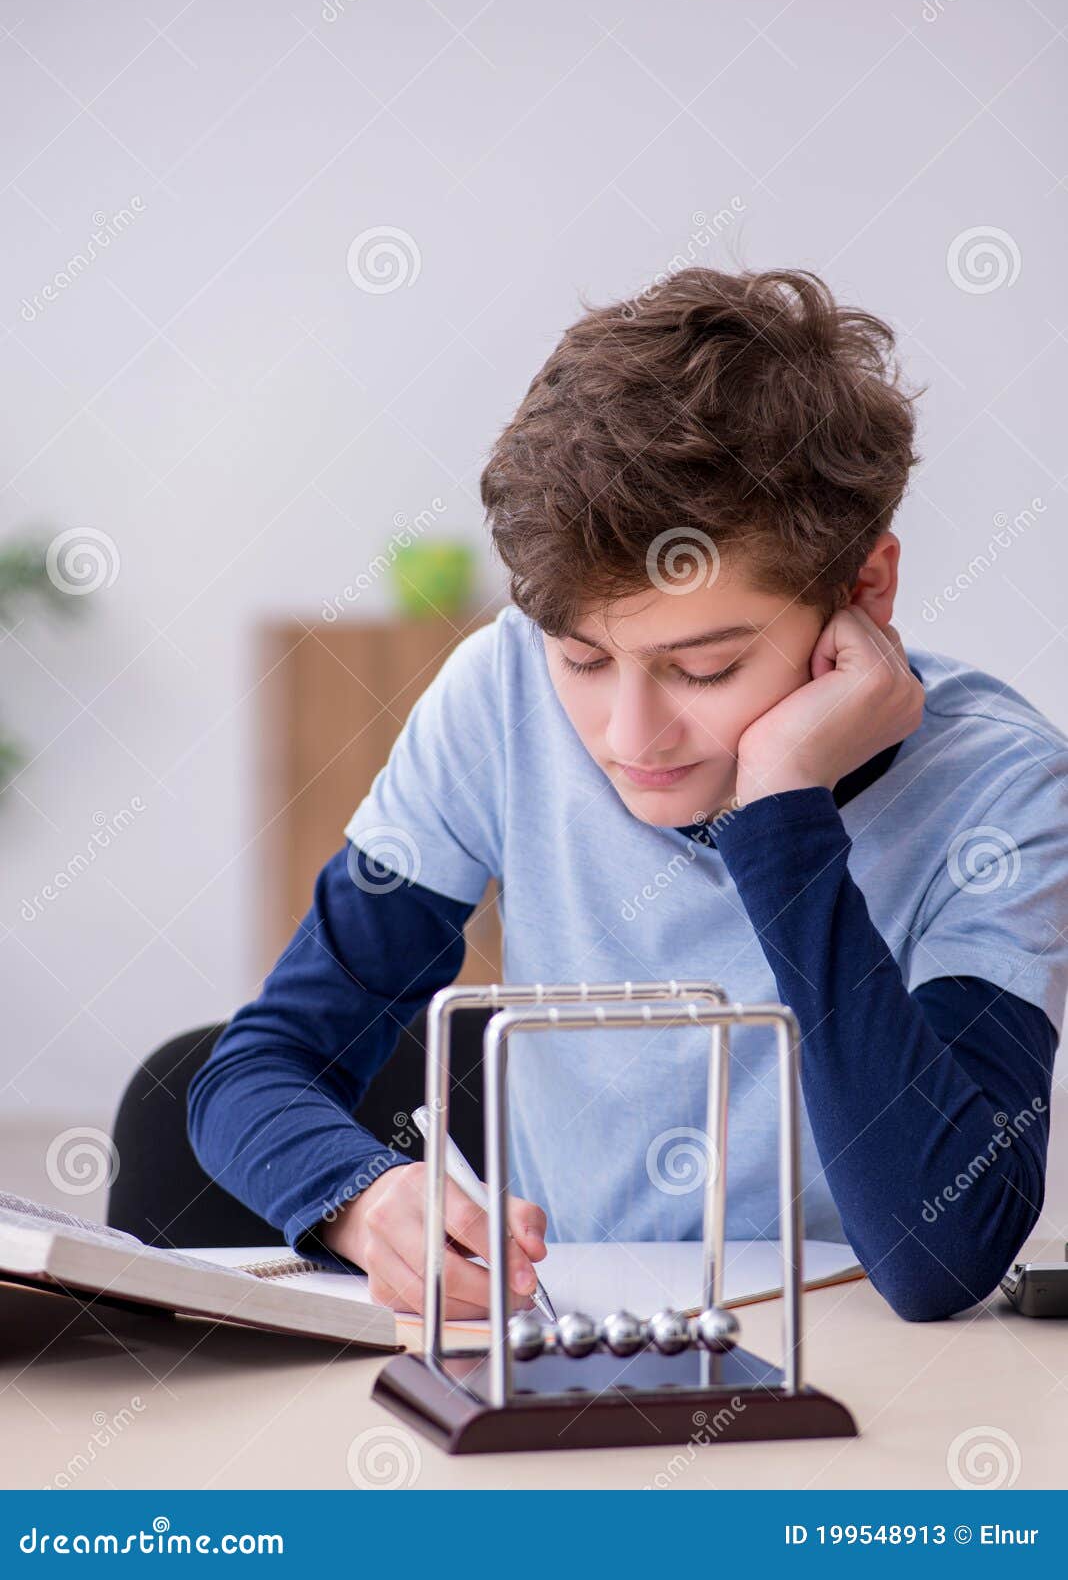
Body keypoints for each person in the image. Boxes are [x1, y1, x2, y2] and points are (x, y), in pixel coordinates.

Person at [189, 267, 1067, 1323]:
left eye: (704, 668)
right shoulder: (499, 692)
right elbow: (254, 1069)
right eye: (583, 659)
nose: (628, 736)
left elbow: (942, 1255)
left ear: (865, 593)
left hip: (855, 1368)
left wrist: (782, 808)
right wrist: (365, 1199)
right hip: (563, 1348)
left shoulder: (1007, 791)